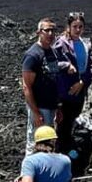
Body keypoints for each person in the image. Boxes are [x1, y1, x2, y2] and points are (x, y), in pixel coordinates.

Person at [22, 18, 70, 154]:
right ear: (39, 32)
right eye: (46, 30)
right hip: (40, 107)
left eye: (52, 30)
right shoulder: (33, 55)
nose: (50, 33)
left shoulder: (52, 52)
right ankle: (28, 173)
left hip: (52, 106)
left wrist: (59, 107)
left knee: (48, 143)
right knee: (35, 142)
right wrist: (36, 113)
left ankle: (44, 173)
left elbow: (55, 80)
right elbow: (26, 86)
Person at [53, 12, 92, 154]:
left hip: (80, 91)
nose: (78, 30)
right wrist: (66, 65)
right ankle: (60, 154)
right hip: (65, 92)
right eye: (74, 26)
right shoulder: (61, 43)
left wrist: (82, 82)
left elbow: (89, 68)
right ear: (68, 27)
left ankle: (69, 156)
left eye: (80, 27)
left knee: (73, 122)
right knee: (63, 125)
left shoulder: (85, 44)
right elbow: (52, 64)